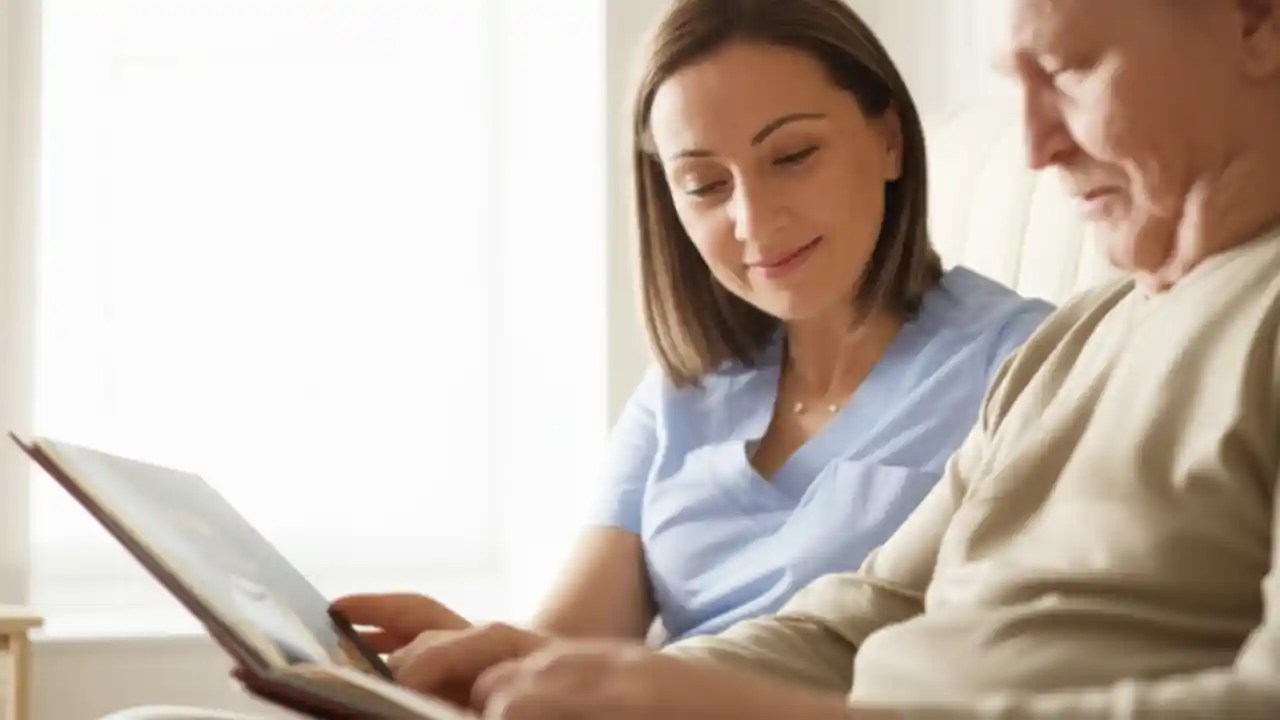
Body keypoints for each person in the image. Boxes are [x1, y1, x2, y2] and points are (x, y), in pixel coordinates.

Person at [370, 0, 1280, 718]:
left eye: (1074, 69)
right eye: (703, 183)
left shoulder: (1187, 321)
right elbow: (867, 612)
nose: (1036, 146)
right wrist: (566, 675)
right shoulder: (1076, 341)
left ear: (1257, 21)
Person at [332, 0, 1050, 657]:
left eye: (793, 157)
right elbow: (567, 646)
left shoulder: (1025, 366)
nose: (752, 222)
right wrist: (466, 650)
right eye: (705, 185)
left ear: (890, 139)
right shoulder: (681, 394)